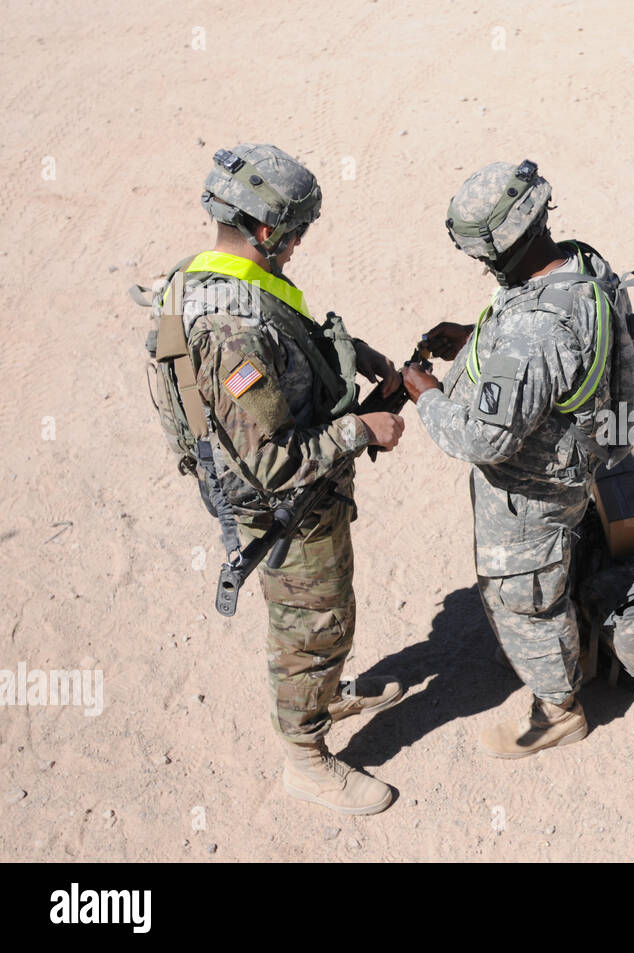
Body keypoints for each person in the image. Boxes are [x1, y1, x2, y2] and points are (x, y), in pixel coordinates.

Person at [162, 144, 409, 814]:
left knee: (329, 614)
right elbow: (267, 463)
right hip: (283, 512)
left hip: (305, 499)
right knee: (309, 625)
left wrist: (363, 357)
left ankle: (327, 695)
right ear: (267, 231)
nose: (299, 247)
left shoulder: (214, 275)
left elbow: (290, 332)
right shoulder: (228, 327)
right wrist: (363, 429)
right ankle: (306, 756)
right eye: (296, 234)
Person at [401, 159, 634, 759]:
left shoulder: (535, 329)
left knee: (523, 594)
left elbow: (482, 439)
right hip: (573, 460)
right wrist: (476, 337)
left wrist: (425, 395)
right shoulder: (581, 267)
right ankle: (556, 651)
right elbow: (547, 349)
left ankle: (558, 709)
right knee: (544, 576)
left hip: (532, 490)